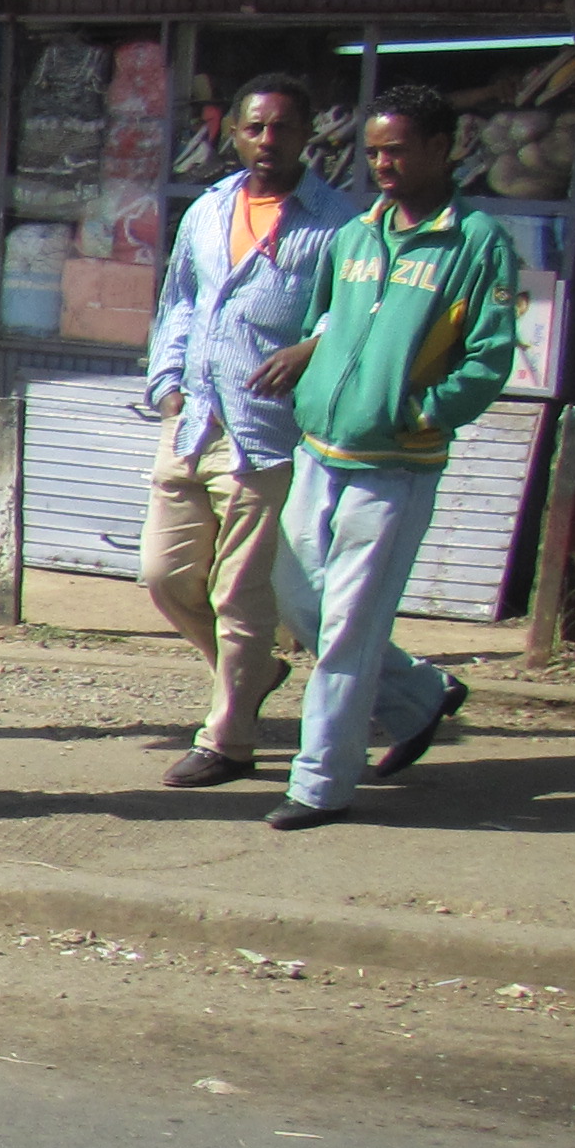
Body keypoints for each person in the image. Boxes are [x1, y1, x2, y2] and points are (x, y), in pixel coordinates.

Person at [248, 85, 519, 832]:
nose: (383, 163)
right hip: (321, 451)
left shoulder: (476, 243)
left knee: (348, 629)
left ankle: (321, 783)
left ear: (442, 148)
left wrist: (425, 412)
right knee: (301, 604)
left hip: (396, 466)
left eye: (397, 148)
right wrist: (310, 375)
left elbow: (491, 356)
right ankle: (419, 698)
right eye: (373, 151)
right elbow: (324, 322)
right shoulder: (357, 236)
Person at [139, 75, 362, 786]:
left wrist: (310, 348)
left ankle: (228, 740)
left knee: (240, 594)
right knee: (165, 576)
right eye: (255, 128)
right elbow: (178, 299)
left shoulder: (337, 223)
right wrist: (166, 380)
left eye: (283, 128)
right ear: (234, 134)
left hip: (265, 436)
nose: (269, 141)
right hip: (193, 422)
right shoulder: (208, 209)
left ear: (307, 136)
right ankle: (257, 672)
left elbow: (354, 316)